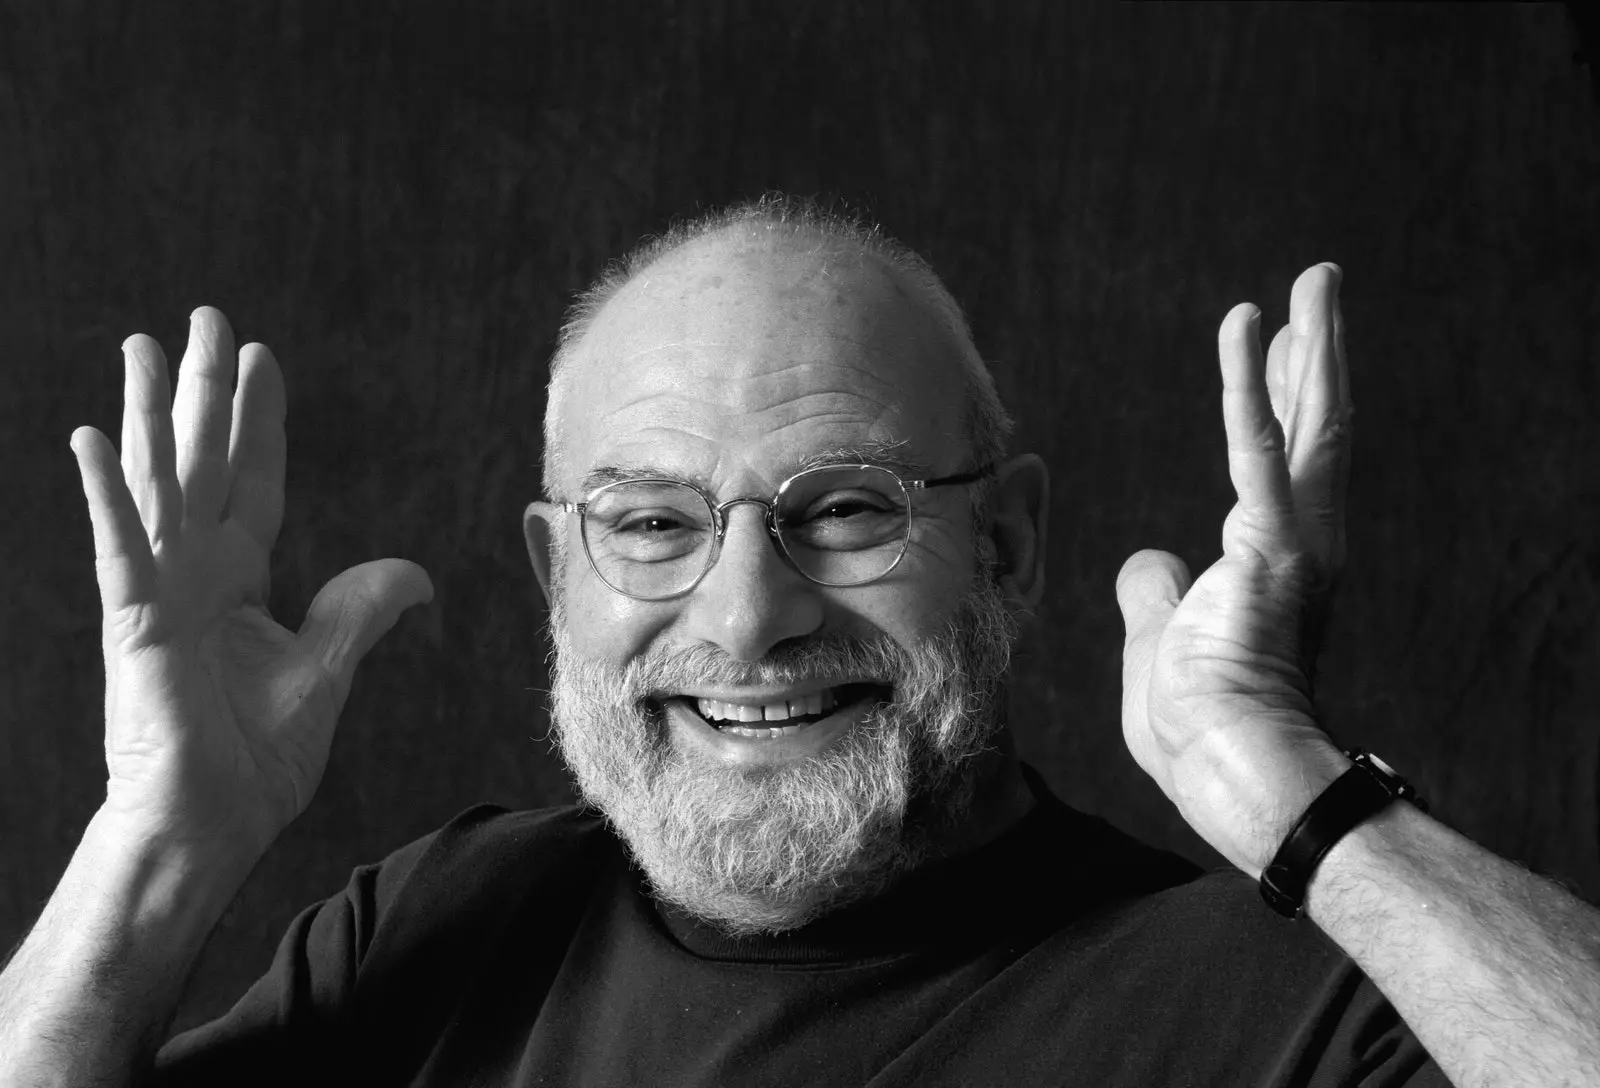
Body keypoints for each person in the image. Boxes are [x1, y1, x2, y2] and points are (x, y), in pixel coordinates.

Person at [1, 197, 1596, 1087]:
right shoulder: (439, 924)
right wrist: (157, 847)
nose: (748, 616)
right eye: (650, 522)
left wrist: (1295, 791)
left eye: (845, 510)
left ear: (1012, 541)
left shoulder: (1285, 1003)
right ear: (558, 567)